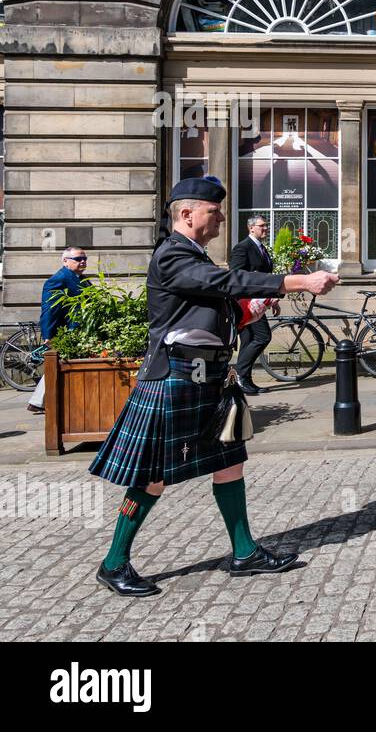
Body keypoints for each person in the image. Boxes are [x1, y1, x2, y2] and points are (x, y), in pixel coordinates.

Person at [87, 177, 340, 597]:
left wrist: (246, 313)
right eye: (214, 210)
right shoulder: (172, 255)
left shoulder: (195, 256)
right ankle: (113, 563)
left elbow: (213, 310)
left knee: (230, 464)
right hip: (174, 379)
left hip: (210, 378)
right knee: (152, 477)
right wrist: (298, 281)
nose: (222, 216)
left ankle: (244, 553)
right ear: (187, 214)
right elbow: (224, 283)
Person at [28, 247, 91, 414]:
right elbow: (49, 309)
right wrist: (48, 334)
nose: (82, 261)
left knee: (59, 365)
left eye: (84, 258)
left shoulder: (81, 279)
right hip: (67, 331)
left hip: (79, 331)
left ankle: (38, 402)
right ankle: (38, 402)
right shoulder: (59, 279)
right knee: (58, 364)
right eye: (78, 259)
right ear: (65, 261)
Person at [228, 215, 277, 395]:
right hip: (245, 304)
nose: (265, 228)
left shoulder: (261, 248)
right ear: (251, 228)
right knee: (263, 337)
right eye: (262, 226)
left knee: (248, 340)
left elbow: (265, 275)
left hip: (257, 303)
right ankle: (240, 374)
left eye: (266, 226)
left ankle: (244, 381)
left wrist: (271, 298)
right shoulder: (243, 248)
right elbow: (236, 275)